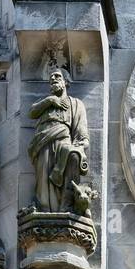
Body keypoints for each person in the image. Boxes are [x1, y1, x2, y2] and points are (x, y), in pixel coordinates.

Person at [28, 66, 90, 214]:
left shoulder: (75, 104)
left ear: (66, 81)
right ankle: (44, 210)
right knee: (43, 181)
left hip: (63, 141)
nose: (53, 80)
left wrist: (80, 145)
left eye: (57, 77)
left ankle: (66, 206)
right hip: (42, 143)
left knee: (73, 156)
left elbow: (82, 135)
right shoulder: (45, 103)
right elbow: (32, 112)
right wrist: (50, 101)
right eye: (51, 79)